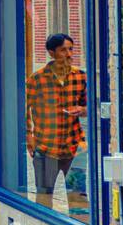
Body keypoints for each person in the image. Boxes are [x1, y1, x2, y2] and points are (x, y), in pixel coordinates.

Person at [26, 33, 88, 208]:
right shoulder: (37, 79)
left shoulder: (80, 77)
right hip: (46, 147)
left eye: (71, 49)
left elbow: (88, 108)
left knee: (78, 197)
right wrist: (28, 137)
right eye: (63, 50)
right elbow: (24, 109)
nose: (69, 54)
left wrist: (82, 110)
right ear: (51, 53)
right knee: (44, 197)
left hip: (74, 148)